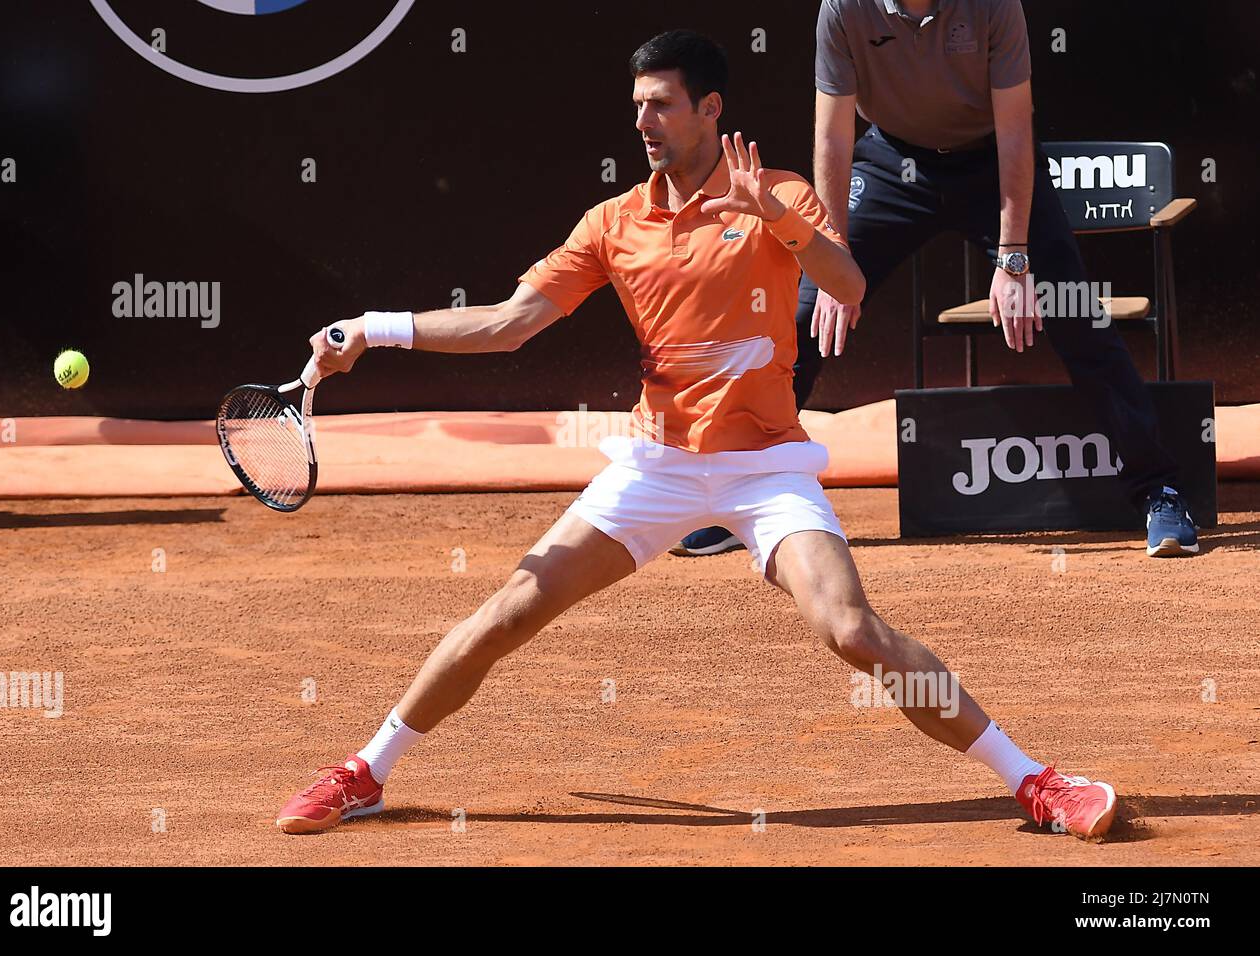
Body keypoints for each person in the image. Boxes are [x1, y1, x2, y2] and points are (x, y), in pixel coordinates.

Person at [274, 30, 1117, 841]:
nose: (643, 122)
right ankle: (366, 773)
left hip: (765, 468)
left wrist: (775, 222)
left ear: (710, 108)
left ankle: (1036, 782)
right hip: (658, 465)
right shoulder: (611, 223)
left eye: (661, 106)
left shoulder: (779, 190)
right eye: (637, 107)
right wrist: (376, 329)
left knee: (852, 631)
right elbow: (509, 321)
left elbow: (848, 280)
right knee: (509, 611)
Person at [674, 0, 1199, 560]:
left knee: (1076, 315)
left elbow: (1016, 131)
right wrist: (832, 259)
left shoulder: (995, 7)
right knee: (800, 317)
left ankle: (1159, 492)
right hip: (889, 165)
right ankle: (745, 497)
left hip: (993, 162)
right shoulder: (843, 9)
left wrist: (1014, 259)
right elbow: (833, 137)